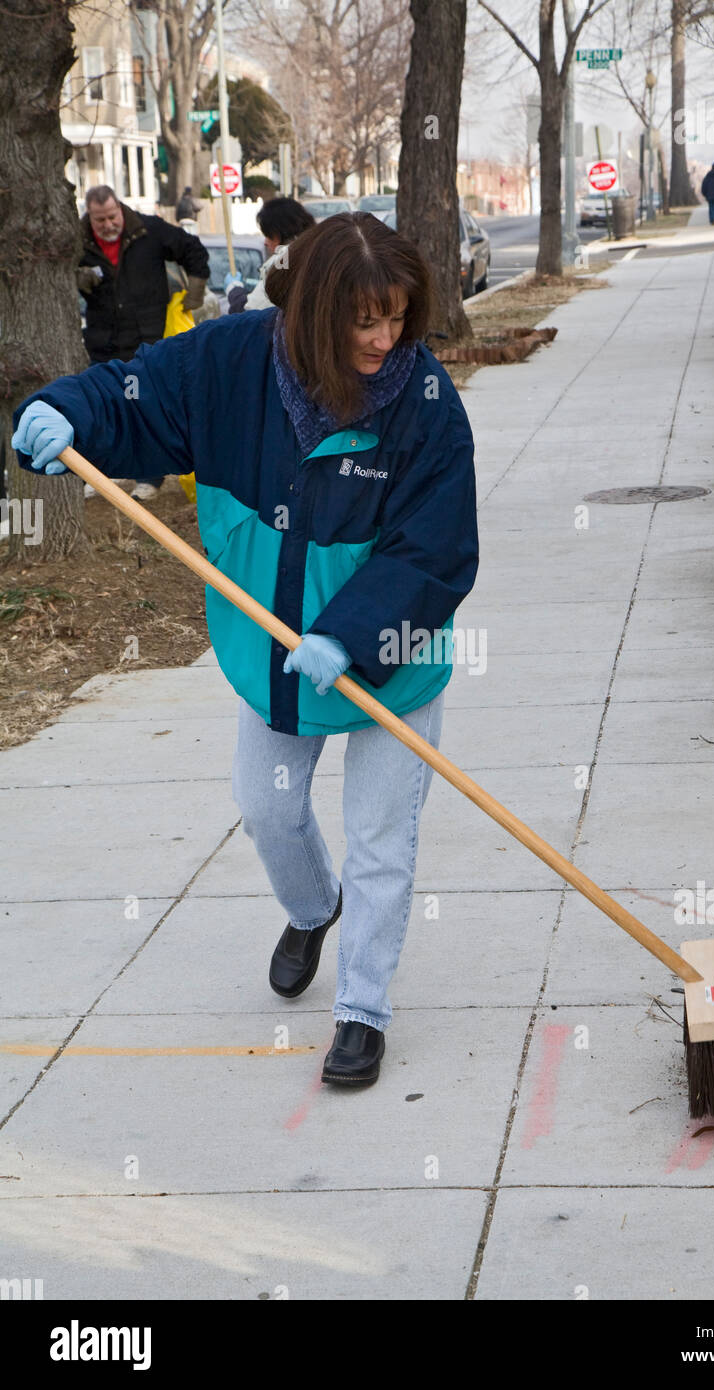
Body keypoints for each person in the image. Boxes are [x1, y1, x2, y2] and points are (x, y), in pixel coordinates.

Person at [12, 212, 479, 1090]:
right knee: (266, 811)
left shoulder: (422, 404)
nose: (385, 339)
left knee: (381, 837)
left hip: (390, 659)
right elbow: (129, 391)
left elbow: (438, 547)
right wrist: (59, 409)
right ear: (313, 312)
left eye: (397, 319)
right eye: (364, 321)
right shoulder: (228, 364)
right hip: (271, 655)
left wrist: (352, 633)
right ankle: (313, 908)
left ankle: (362, 1009)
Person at [76, 185, 210, 500]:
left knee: (147, 410)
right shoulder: (76, 241)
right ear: (89, 218)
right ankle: (105, 473)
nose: (108, 225)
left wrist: (196, 290)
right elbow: (59, 270)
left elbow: (193, 249)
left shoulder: (149, 230)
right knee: (105, 409)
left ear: (119, 209)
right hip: (104, 340)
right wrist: (77, 276)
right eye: (100, 221)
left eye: (111, 217)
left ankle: (150, 475)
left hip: (148, 338)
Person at [224, 196, 315, 313]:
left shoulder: (285, 259)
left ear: (279, 232)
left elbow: (248, 310)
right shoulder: (315, 251)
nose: (265, 242)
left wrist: (234, 289)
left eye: (268, 235)